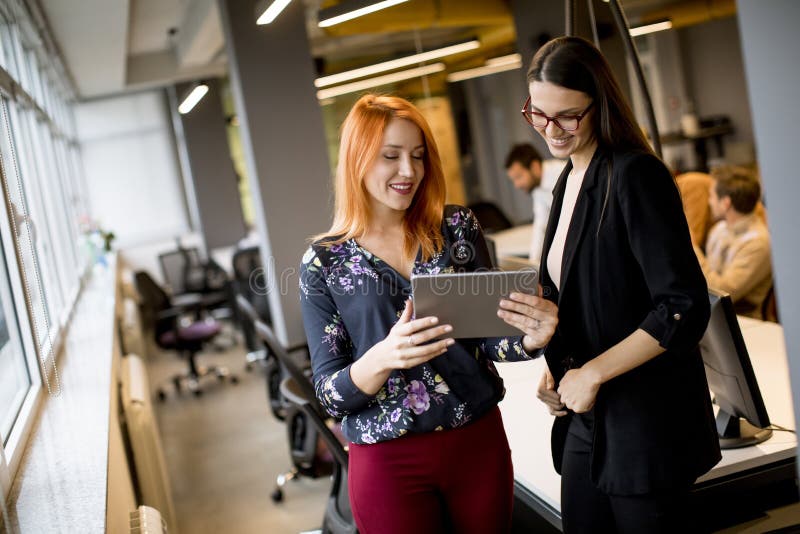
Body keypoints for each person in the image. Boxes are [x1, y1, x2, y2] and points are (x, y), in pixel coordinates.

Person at [299, 94, 558, 534]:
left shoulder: (456, 228)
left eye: (418, 156)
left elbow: (488, 338)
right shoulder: (324, 263)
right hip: (387, 462)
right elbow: (329, 394)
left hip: (475, 443)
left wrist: (529, 339)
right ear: (358, 160)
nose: (409, 171)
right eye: (391, 157)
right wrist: (384, 356)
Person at [523, 37, 721, 533]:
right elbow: (583, 295)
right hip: (586, 420)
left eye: (567, 116)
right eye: (538, 114)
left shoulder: (635, 175)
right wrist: (562, 368)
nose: (551, 130)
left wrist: (593, 373)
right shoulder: (568, 180)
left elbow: (682, 304)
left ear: (600, 104)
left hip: (644, 424)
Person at [695, 165, 772, 318]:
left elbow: (721, 294)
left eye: (711, 196)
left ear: (726, 203)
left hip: (745, 321)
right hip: (716, 317)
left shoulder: (759, 243)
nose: (709, 202)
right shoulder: (718, 230)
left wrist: (692, 248)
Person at [504, 143, 559, 262]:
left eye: (519, 177)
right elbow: (540, 227)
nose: (517, 185)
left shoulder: (562, 174)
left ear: (534, 167)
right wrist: (533, 264)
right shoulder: (537, 189)